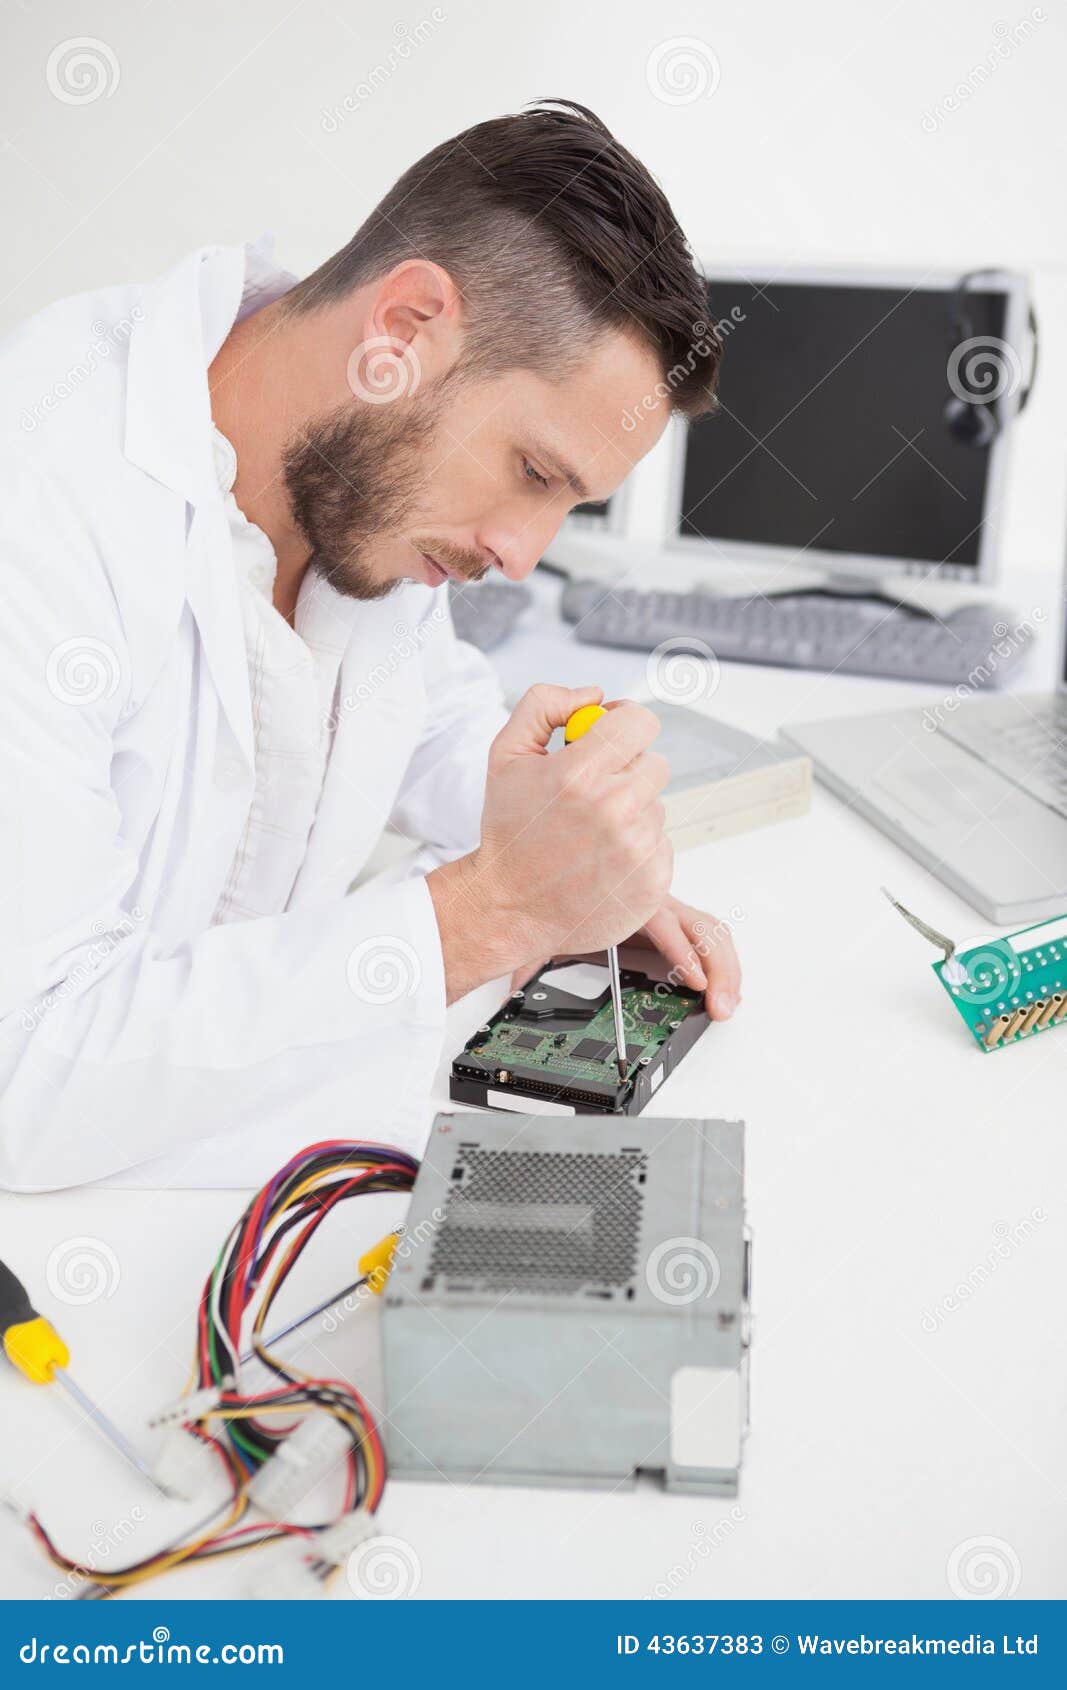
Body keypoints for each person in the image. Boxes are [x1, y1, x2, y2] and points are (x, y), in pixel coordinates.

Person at [0, 100, 740, 1189]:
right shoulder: (40, 493)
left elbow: (427, 715)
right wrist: (496, 909)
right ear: (402, 326)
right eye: (533, 472)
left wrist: (573, 853)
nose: (523, 554)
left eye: (566, 504)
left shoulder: (354, 478)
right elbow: (25, 1075)